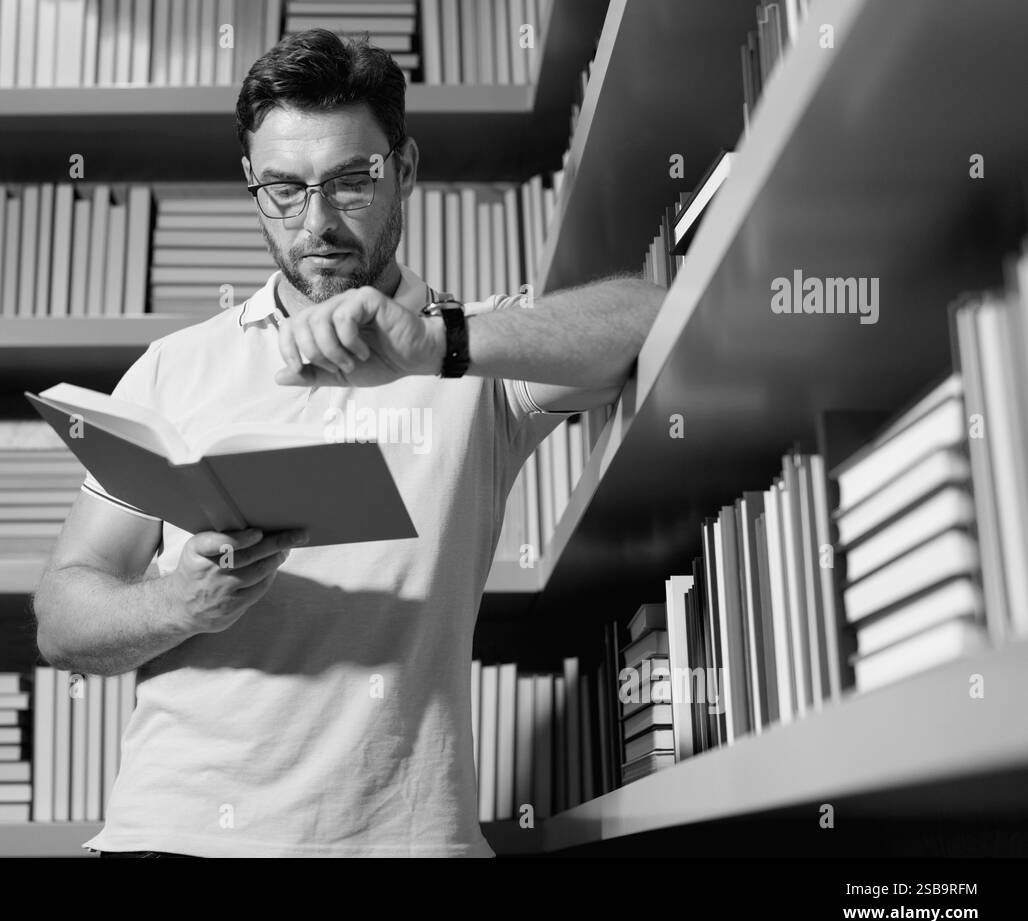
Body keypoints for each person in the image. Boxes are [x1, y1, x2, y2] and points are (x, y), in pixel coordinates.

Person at [33, 28, 666, 857]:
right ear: (251, 186)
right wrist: (178, 603)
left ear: (404, 169)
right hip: (175, 837)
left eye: (350, 181)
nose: (318, 222)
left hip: (406, 841)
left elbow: (650, 317)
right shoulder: (171, 371)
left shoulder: (475, 347)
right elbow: (61, 614)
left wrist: (441, 342)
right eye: (284, 190)